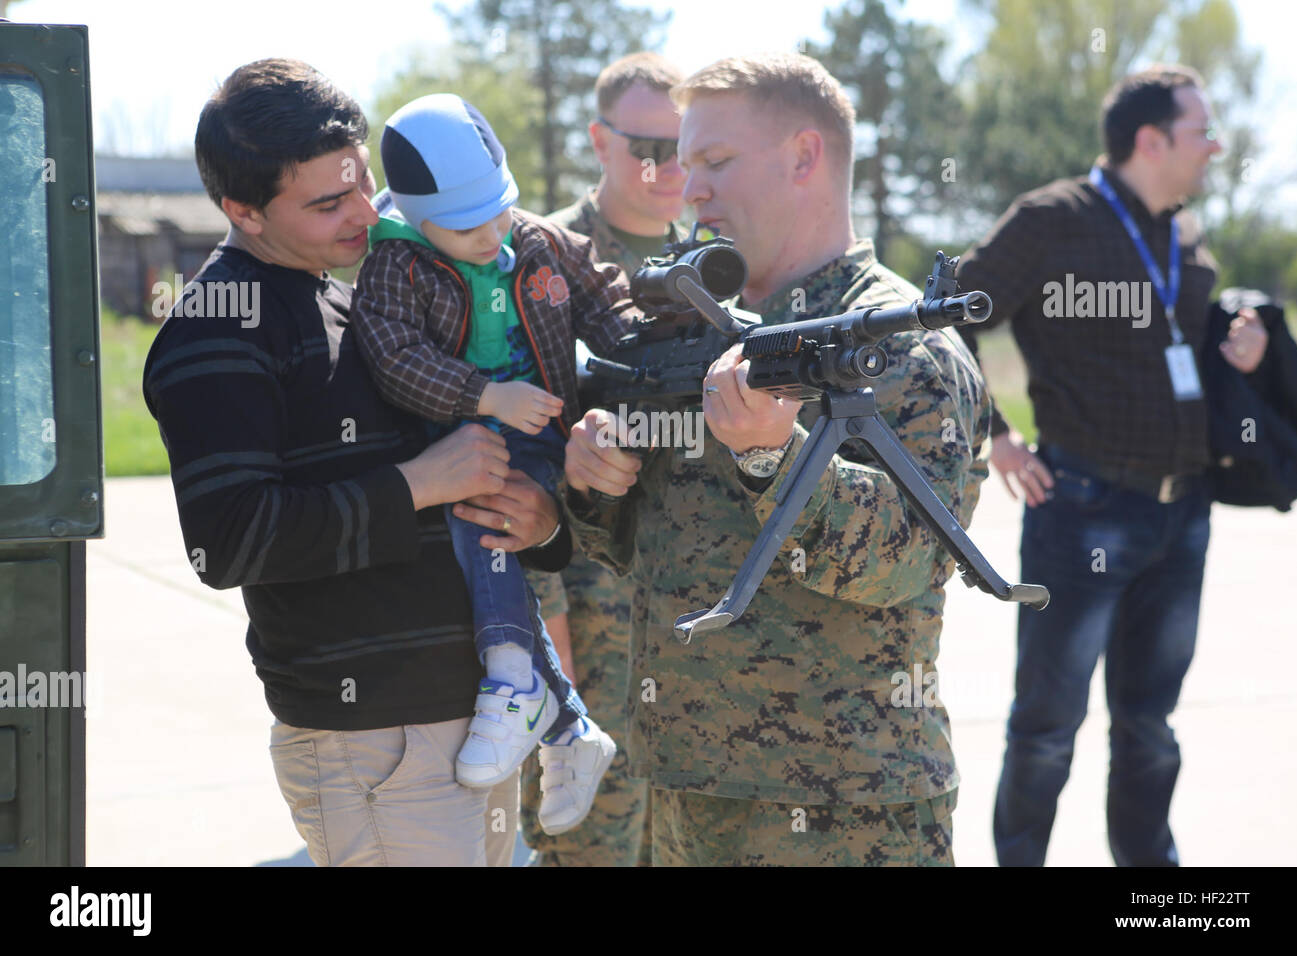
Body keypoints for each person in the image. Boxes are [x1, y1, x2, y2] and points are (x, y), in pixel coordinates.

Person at [561, 53, 991, 866]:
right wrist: (596, 487)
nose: (690, 192)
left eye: (716, 163)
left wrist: (772, 454)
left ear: (804, 156)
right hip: (687, 791)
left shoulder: (901, 346)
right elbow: (656, 547)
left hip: (847, 809)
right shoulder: (706, 334)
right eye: (688, 168)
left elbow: (909, 558)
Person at [143, 58, 570, 866]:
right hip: (373, 739)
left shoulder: (355, 298)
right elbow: (228, 540)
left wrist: (540, 521)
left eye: (364, 185)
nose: (366, 215)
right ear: (243, 209)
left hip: (464, 720)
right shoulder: (216, 327)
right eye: (327, 202)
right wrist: (421, 483)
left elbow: (468, 477)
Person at [955, 65, 1268, 866]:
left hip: (1183, 516)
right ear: (1150, 139)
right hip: (1082, 509)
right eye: (1203, 130)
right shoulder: (1052, 219)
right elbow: (950, 319)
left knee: (1149, 729)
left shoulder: (1186, 231)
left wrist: (1244, 344)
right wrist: (994, 434)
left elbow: (1182, 338)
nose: (1216, 145)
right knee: (1046, 731)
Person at [351, 93, 635, 834]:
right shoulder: (393, 265)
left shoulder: (539, 243)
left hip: (537, 434)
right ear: (413, 214)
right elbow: (394, 360)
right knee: (487, 529)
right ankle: (559, 720)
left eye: (498, 210)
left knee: (492, 525)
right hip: (460, 433)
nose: (489, 233)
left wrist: (648, 349)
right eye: (464, 223)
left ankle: (522, 688)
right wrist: (485, 395)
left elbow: (608, 302)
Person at [521, 50, 686, 867]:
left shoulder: (716, 264)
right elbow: (513, 462)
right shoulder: (540, 263)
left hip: (692, 614)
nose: (668, 169)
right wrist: (547, 626)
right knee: (590, 844)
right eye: (646, 147)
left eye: (685, 148)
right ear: (598, 140)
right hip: (588, 606)